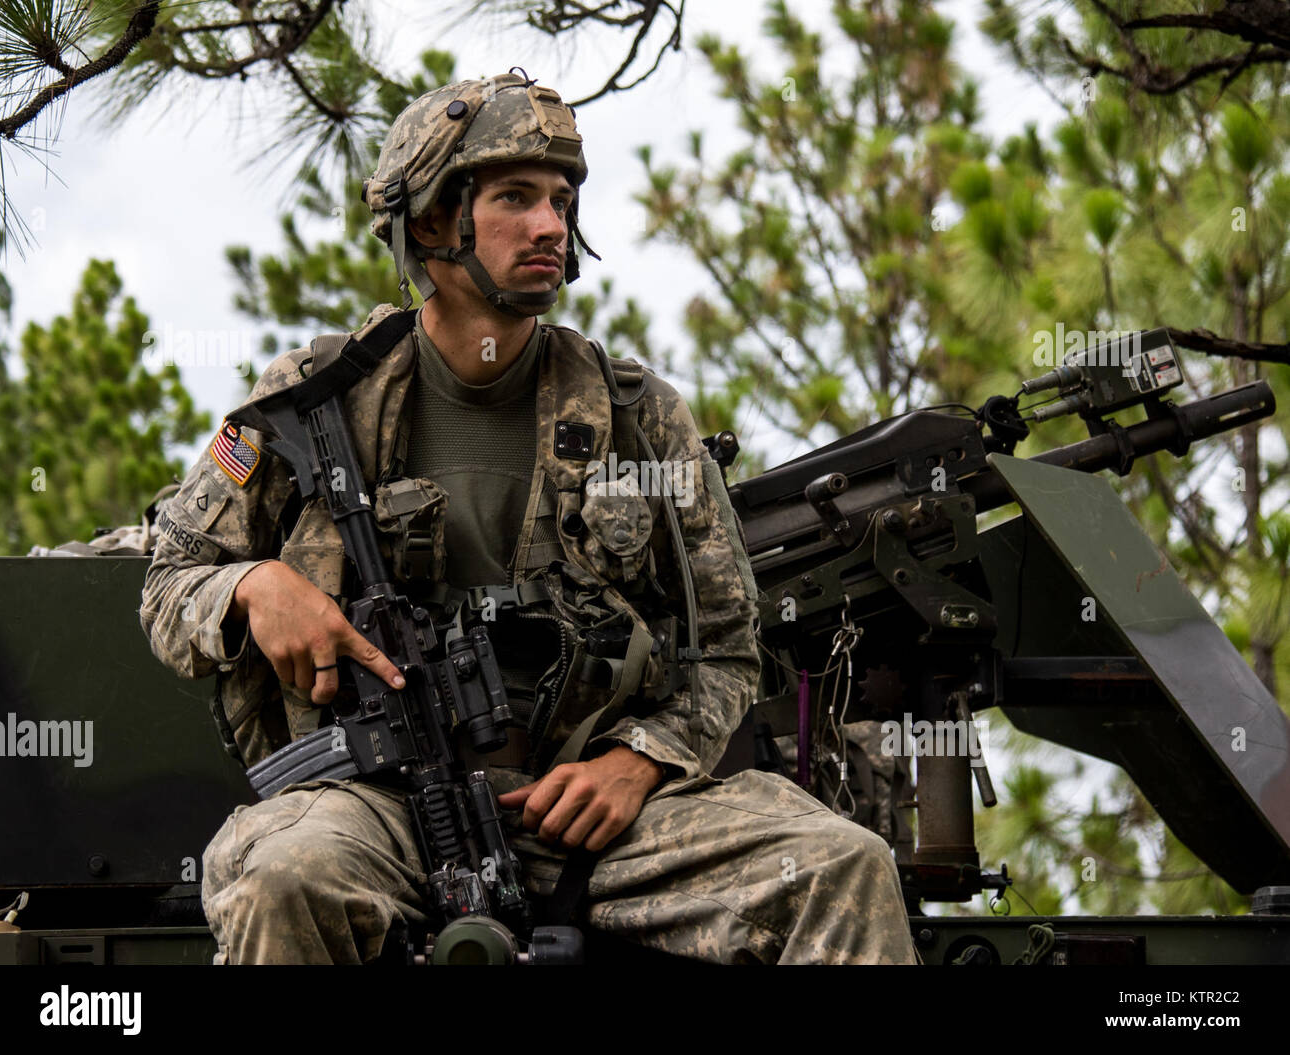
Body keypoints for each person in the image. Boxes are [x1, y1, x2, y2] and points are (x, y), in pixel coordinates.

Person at [140, 70, 916, 964]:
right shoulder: (307, 404)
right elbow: (169, 582)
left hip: (595, 815)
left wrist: (643, 759)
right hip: (379, 807)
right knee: (283, 877)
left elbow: (732, 643)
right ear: (432, 221)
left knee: (841, 864)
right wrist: (252, 586)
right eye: (516, 197)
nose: (552, 224)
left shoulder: (640, 414)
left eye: (562, 198)